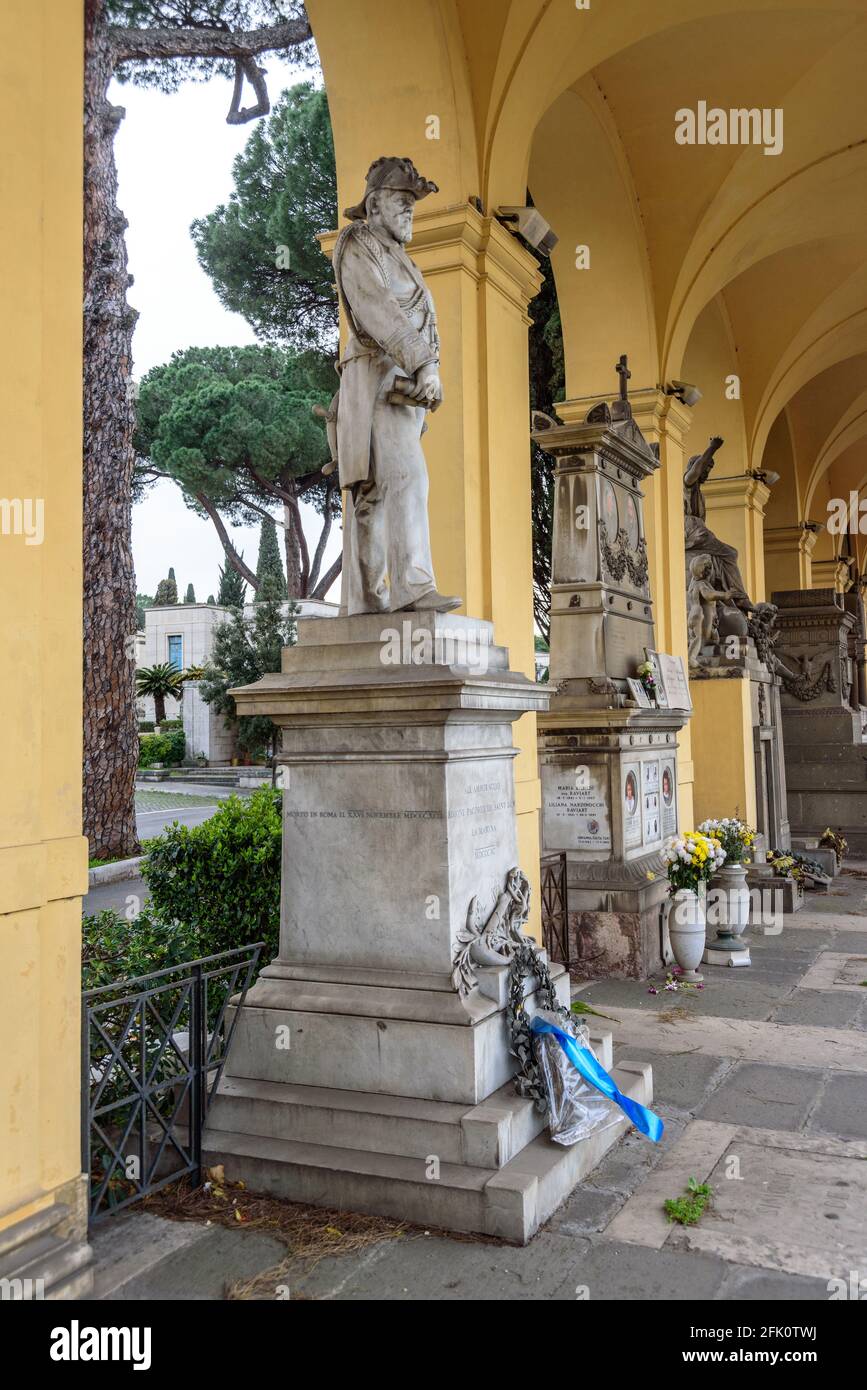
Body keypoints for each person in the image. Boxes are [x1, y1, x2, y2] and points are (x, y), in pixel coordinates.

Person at [331, 156, 461, 616]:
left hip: (401, 388)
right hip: (375, 381)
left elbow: (425, 323)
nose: (410, 211)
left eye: (412, 204)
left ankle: (368, 601)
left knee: (378, 493)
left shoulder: (402, 258)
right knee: (405, 477)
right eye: (402, 201)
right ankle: (412, 588)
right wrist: (425, 363)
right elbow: (379, 311)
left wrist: (430, 369)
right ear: (375, 205)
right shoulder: (358, 243)